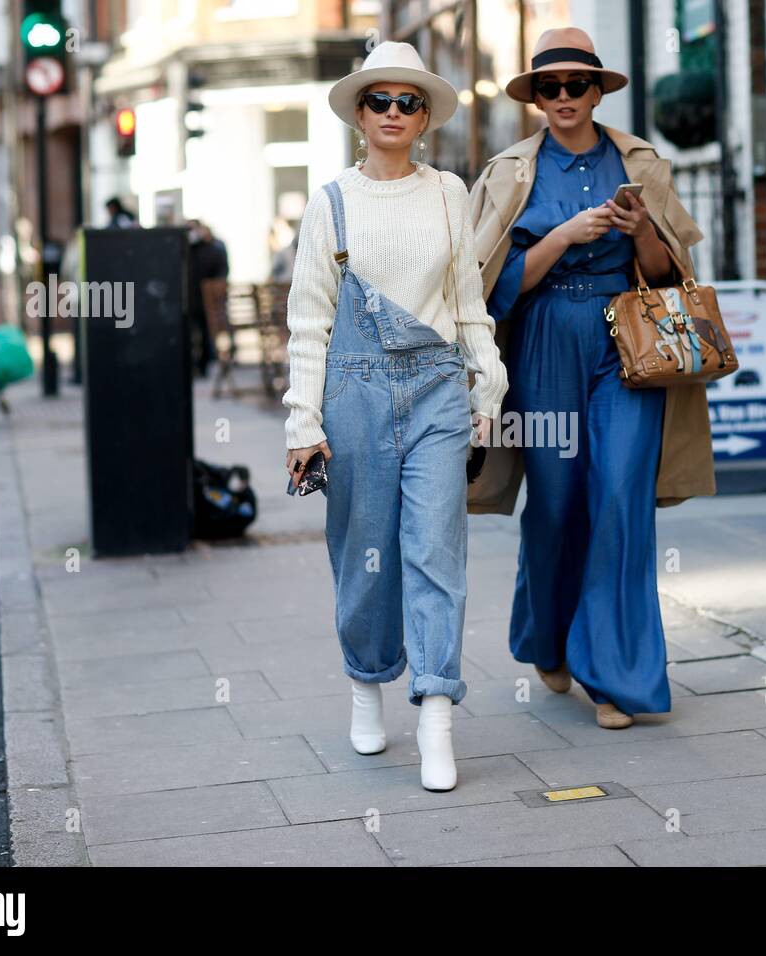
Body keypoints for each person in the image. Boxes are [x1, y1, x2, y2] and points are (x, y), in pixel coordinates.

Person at [468, 28, 715, 728]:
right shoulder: (511, 169)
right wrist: (563, 236)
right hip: (544, 342)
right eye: (550, 86)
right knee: (555, 504)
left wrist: (639, 231)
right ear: (537, 96)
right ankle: (548, 638)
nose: (565, 97)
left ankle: (611, 676)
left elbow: (670, 281)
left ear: (599, 88)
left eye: (578, 84)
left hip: (629, 342)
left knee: (621, 497)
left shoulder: (639, 161)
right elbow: (494, 288)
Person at [282, 41, 508, 791]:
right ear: (358, 113)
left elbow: (469, 300)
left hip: (439, 385)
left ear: (424, 117)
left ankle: (437, 712)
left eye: (408, 102)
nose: (393, 113)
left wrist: (488, 384)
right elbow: (309, 323)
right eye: (380, 101)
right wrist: (301, 422)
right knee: (363, 554)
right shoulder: (331, 204)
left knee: (436, 551)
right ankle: (365, 682)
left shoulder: (449, 191)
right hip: (352, 391)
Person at [186, 219, 229, 377]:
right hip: (190, 300)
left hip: (205, 300)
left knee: (205, 334)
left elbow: (221, 270)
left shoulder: (212, 249)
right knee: (190, 335)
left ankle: (203, 365)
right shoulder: (186, 250)